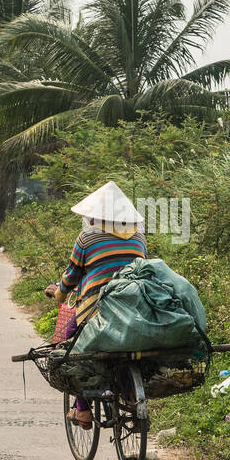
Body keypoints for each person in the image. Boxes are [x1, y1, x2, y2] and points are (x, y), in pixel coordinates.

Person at [44, 181, 147, 427]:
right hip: (135, 308)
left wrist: (58, 293)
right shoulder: (139, 236)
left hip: (95, 311)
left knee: (69, 348)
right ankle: (132, 392)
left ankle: (82, 410)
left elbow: (71, 276)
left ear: (96, 216)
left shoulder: (87, 238)